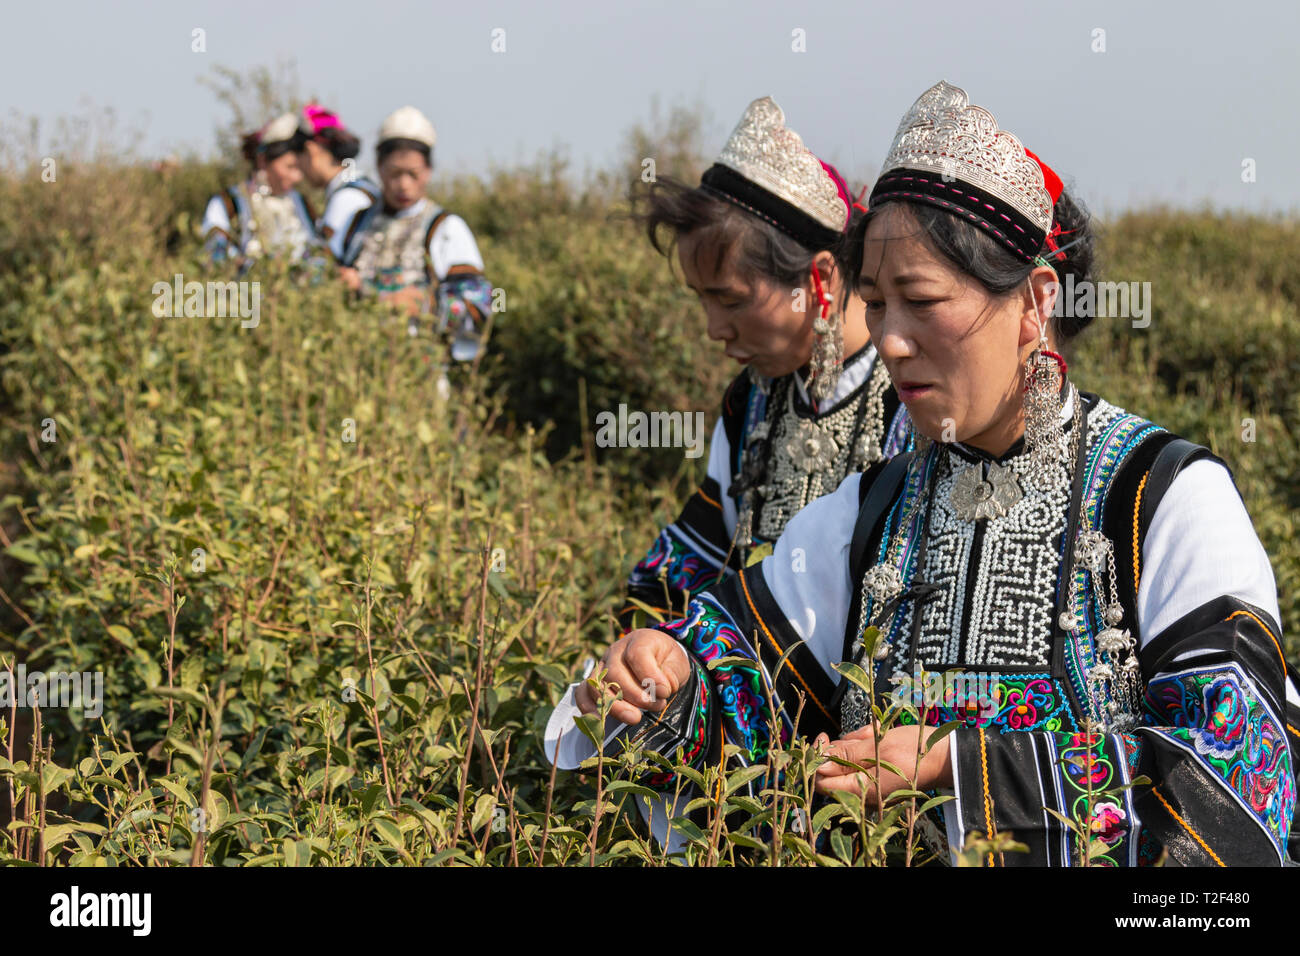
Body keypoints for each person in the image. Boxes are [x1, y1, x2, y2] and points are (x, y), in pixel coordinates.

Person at [549, 82, 1298, 866]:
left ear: (1036, 304)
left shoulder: (1160, 498)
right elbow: (738, 674)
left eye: (922, 300)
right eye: (877, 302)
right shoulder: (870, 512)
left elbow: (1241, 785)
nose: (893, 340)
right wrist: (669, 673)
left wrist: (954, 767)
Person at [618, 96, 908, 634]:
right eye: (700, 300)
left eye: (730, 300)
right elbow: (691, 562)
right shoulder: (749, 402)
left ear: (819, 280)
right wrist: (643, 647)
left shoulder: (911, 399)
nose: (714, 329)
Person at [340, 106, 494, 364]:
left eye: (413, 174)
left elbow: (482, 302)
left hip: (421, 371)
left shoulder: (446, 228)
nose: (403, 185)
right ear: (379, 168)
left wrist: (426, 303)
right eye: (394, 174)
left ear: (428, 171)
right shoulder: (358, 223)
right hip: (355, 365)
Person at [200, 112, 318, 268]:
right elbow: (215, 259)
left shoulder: (302, 205)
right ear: (263, 161)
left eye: (300, 167)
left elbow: (317, 254)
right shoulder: (229, 204)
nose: (297, 176)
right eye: (289, 167)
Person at [297, 103, 380, 265]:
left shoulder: (346, 198)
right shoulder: (360, 185)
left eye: (298, 157)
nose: (299, 168)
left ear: (311, 150)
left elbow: (321, 262)